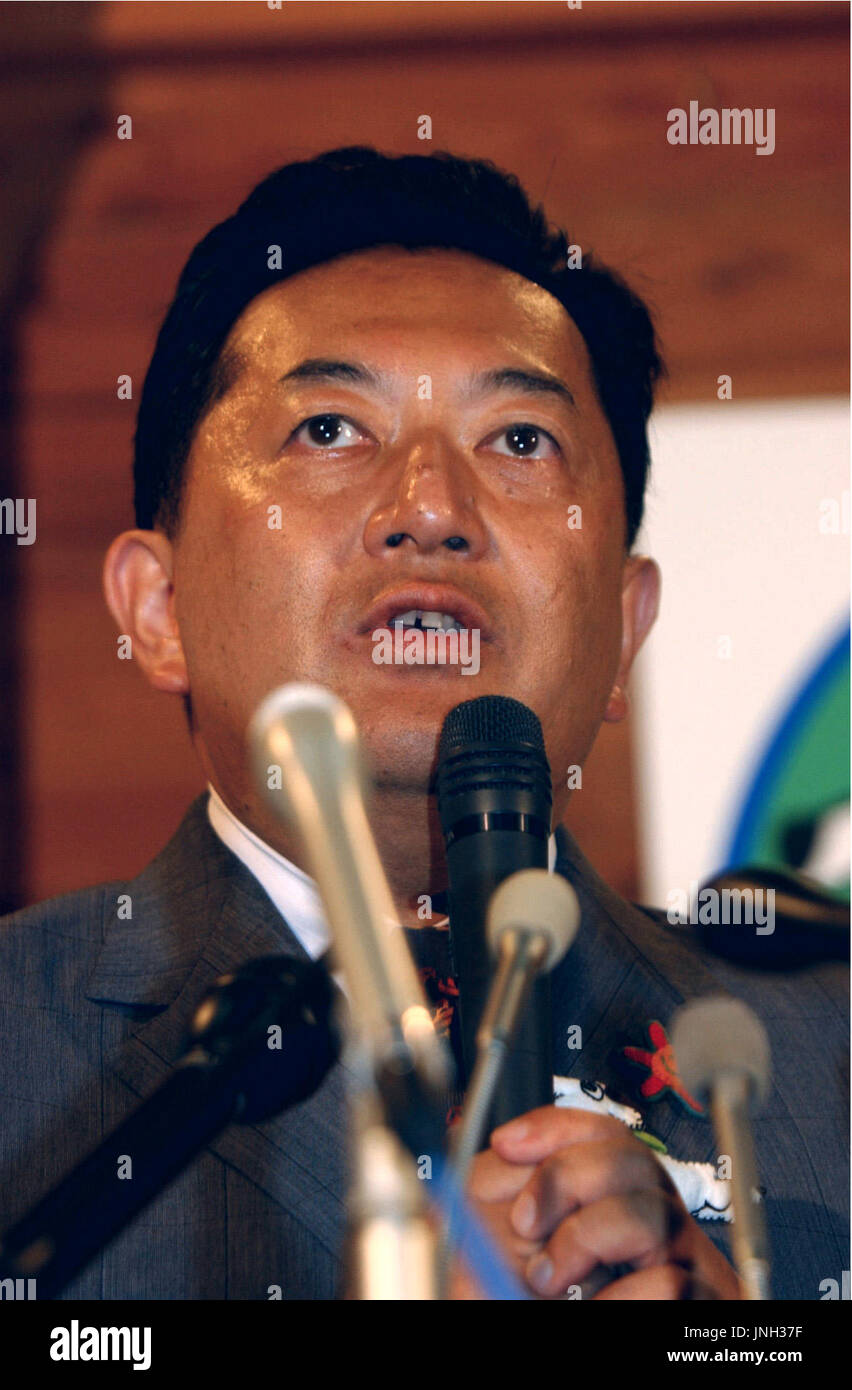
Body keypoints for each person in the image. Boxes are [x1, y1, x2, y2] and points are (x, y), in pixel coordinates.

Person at [0, 147, 846, 1301]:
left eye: (520, 441)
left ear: (625, 631)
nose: (432, 510)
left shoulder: (817, 1053)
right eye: (331, 430)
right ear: (160, 612)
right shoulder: (20, 1040)